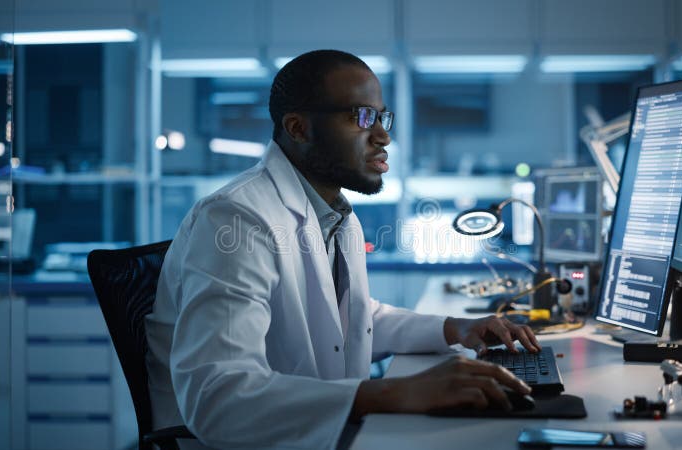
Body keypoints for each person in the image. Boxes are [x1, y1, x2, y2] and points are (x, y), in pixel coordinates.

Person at [145, 49, 541, 450]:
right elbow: (216, 398)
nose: (384, 136)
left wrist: (455, 328)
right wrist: (396, 393)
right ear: (298, 128)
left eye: (382, 118)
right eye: (361, 117)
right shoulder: (235, 218)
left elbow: (354, 317)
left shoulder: (335, 214)